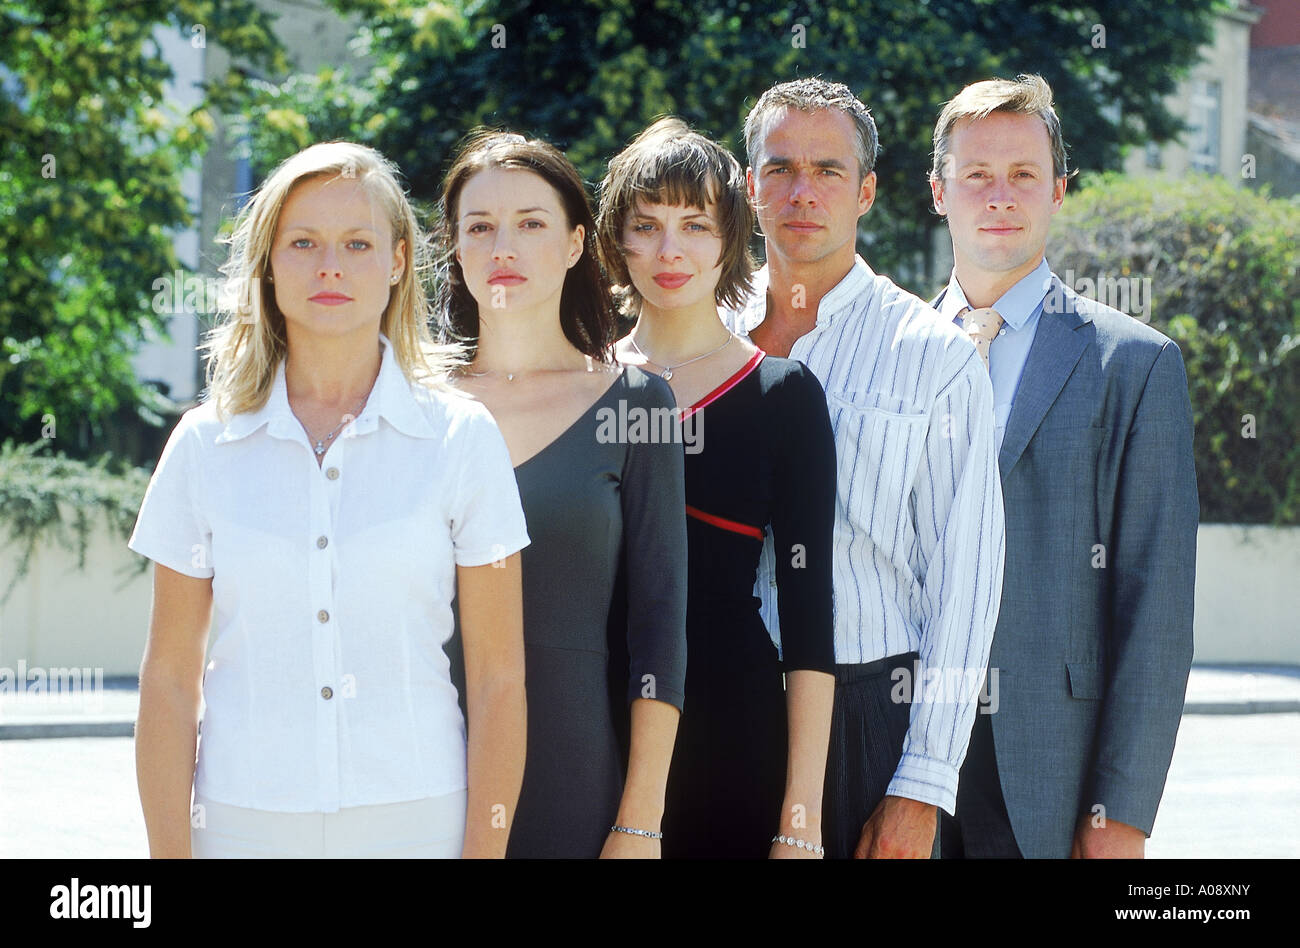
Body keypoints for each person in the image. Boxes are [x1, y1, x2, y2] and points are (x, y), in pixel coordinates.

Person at [129, 141, 530, 858]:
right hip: (239, 825)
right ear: (269, 263)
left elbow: (500, 678)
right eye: (304, 243)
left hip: (421, 825)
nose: (330, 266)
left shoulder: (462, 438)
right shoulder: (201, 446)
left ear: (399, 261)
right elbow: (167, 680)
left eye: (357, 243)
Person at [720, 78, 1006, 859]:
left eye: (829, 170)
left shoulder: (933, 356)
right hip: (711, 707)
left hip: (868, 719)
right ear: (751, 186)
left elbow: (968, 584)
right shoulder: (700, 338)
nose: (801, 191)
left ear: (867, 191)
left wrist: (921, 784)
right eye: (779, 169)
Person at [927, 74, 1198, 858]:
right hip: (891, 758)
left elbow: (1157, 608)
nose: (1000, 195)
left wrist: (1121, 814)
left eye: (1024, 175)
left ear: (1059, 192)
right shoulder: (887, 350)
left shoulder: (1135, 364)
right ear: (940, 192)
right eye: (977, 174)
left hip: (1050, 775)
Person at [434, 129, 687, 858]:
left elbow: (660, 626)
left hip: (574, 780)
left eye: (531, 224)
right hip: (415, 773)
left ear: (577, 243)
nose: (501, 247)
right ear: (454, 245)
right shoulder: (406, 406)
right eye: (479, 227)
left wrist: (640, 819)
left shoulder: (637, 402)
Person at [596, 117, 837, 859]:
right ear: (614, 238)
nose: (671, 251)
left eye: (696, 224)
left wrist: (800, 820)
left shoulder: (783, 393)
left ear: (730, 238)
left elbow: (808, 619)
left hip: (733, 738)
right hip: (586, 731)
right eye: (648, 225)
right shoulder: (575, 385)